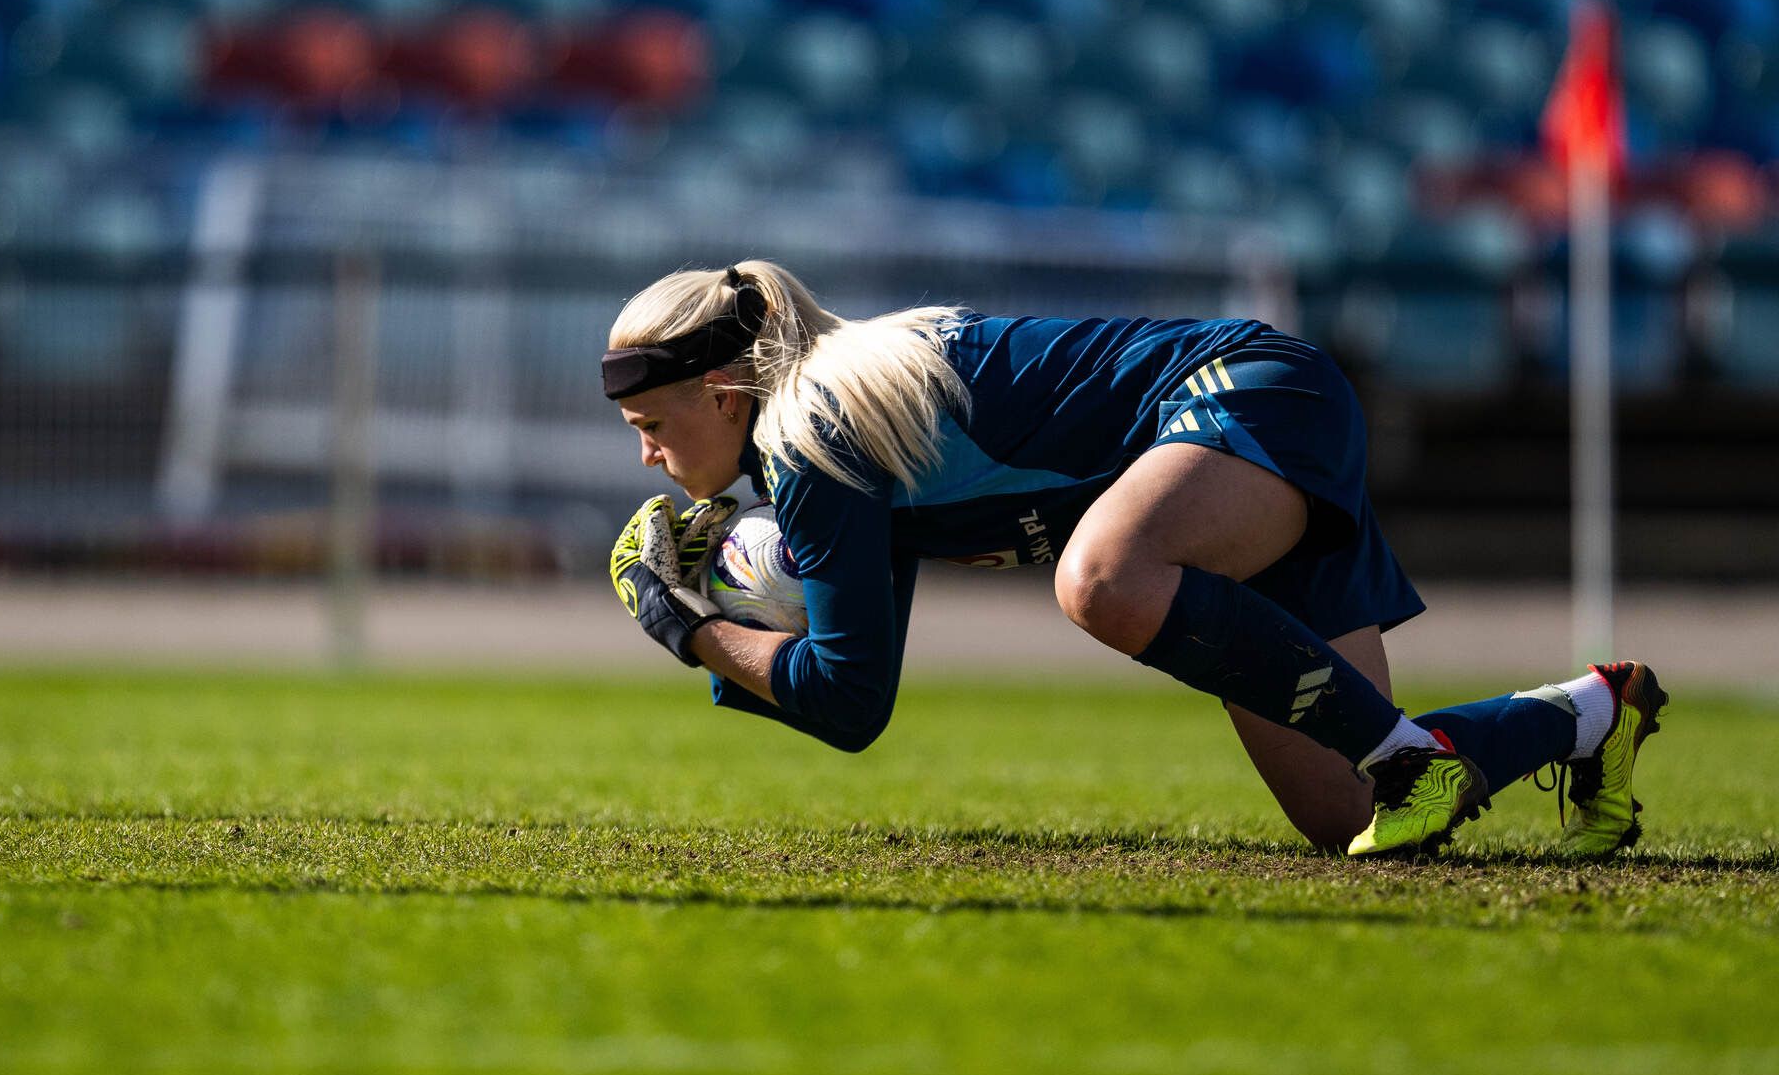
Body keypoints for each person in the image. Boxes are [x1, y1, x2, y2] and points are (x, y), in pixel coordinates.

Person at [601, 260, 1667, 858]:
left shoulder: (812, 431)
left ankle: (1404, 756)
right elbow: (856, 692)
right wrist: (727, 631)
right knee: (1343, 816)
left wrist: (685, 627)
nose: (647, 455)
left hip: (1250, 392)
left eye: (651, 423)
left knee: (1100, 580)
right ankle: (1589, 713)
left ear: (724, 395)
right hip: (1231, 447)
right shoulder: (827, 434)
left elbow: (840, 695)